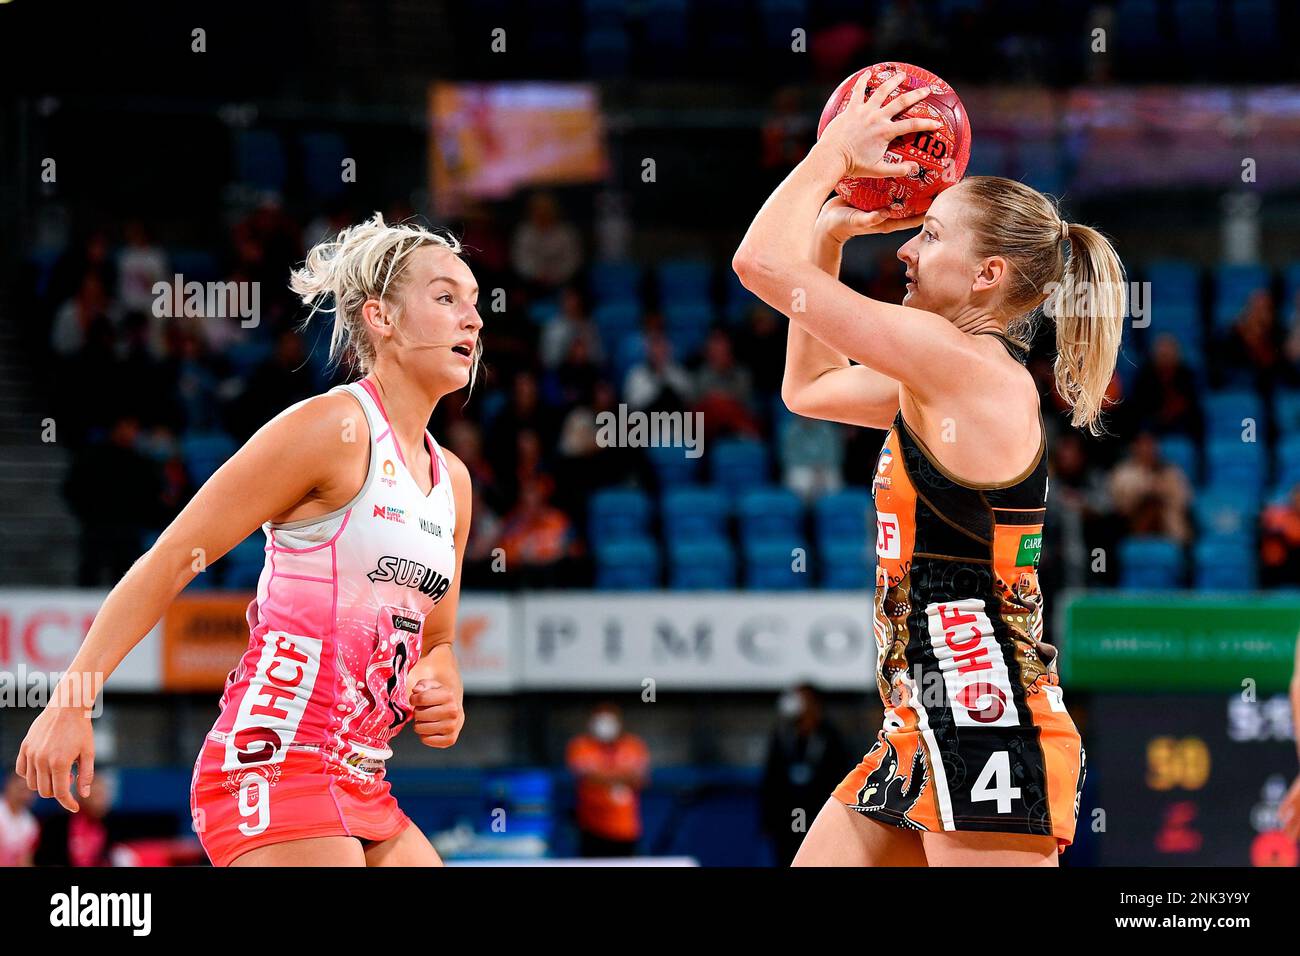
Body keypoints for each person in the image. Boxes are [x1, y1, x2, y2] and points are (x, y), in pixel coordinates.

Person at [733, 71, 1121, 866]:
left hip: (984, 715)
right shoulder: (944, 375)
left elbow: (757, 266)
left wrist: (829, 154)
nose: (905, 247)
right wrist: (832, 236)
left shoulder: (961, 366)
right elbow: (809, 389)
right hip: (921, 717)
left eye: (931, 235)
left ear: (989, 278)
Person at [17, 214, 480, 867]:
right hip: (273, 760)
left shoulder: (452, 480)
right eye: (446, 297)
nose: (474, 318)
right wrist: (71, 700)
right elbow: (174, 558)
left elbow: (438, 642)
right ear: (382, 318)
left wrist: (442, 682)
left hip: (363, 779)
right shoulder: (330, 430)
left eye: (475, 302)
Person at [759, 684, 851, 866]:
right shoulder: (782, 736)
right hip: (786, 819)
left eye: (804, 700)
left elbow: (841, 778)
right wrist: (768, 820)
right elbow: (771, 779)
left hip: (818, 816)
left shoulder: (831, 738)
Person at [566, 704, 650, 858]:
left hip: (626, 828)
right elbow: (588, 777)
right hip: (592, 827)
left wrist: (605, 775)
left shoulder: (633, 745)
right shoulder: (581, 746)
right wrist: (622, 776)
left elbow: (640, 779)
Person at [0, 773, 39, 867]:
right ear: (9, 784)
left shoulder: (30, 824)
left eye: (27, 789)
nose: (22, 793)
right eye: (20, 787)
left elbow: (24, 861)